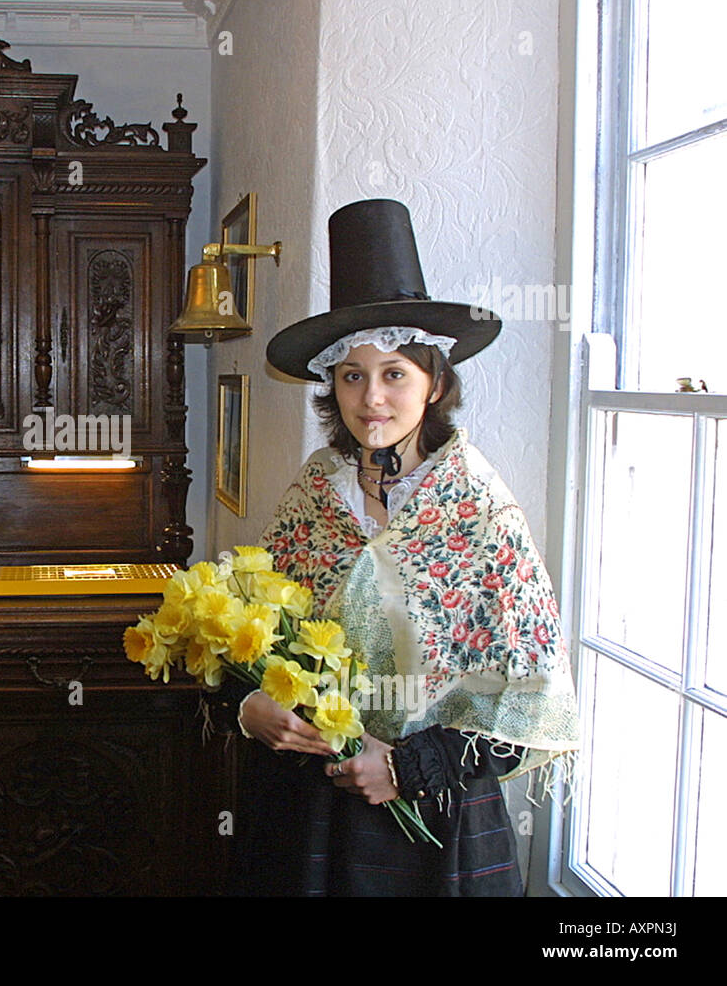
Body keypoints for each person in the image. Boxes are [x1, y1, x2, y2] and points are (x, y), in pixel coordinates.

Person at [219, 199, 580, 896]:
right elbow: (253, 635)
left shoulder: (477, 510)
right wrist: (251, 705)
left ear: (434, 382)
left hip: (433, 827)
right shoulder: (314, 494)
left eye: (394, 374)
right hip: (307, 813)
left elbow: (526, 694)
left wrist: (406, 767)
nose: (371, 398)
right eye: (352, 375)